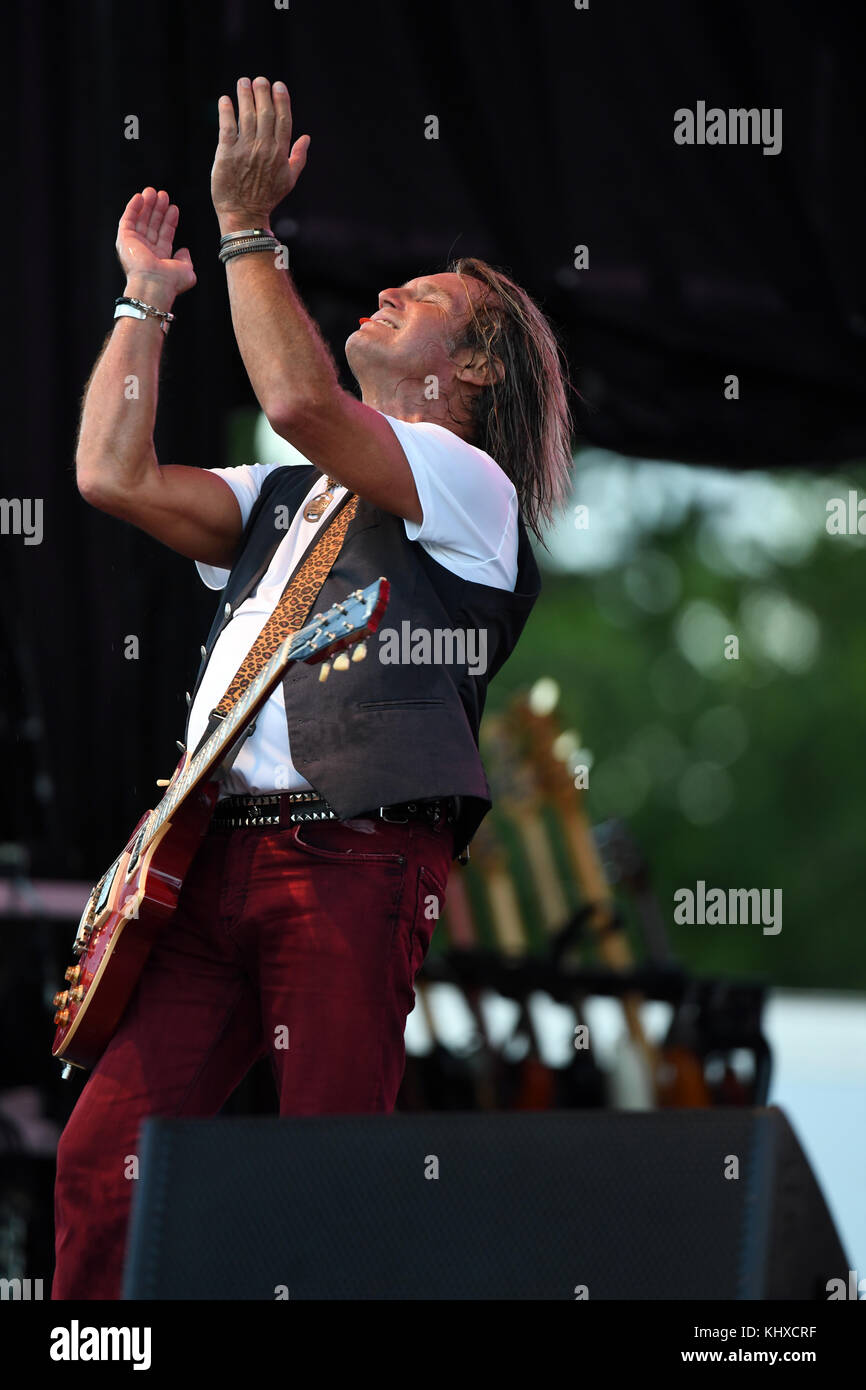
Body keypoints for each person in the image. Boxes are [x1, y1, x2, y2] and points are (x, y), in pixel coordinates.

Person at [52, 76, 572, 1299]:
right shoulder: (286, 494)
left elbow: (296, 395)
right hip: (210, 863)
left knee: (327, 1179)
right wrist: (144, 300)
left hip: (350, 858)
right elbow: (110, 473)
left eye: (423, 298)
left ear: (477, 364)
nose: (386, 293)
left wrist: (245, 230)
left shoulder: (468, 485)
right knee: (98, 1163)